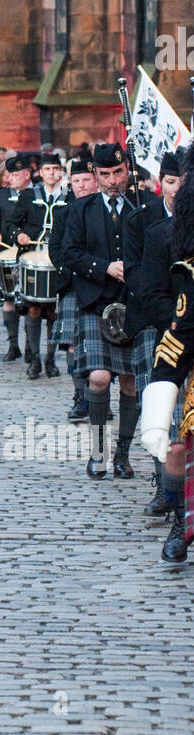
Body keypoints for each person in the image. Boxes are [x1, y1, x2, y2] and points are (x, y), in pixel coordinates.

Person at [60, 142, 139, 479]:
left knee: (130, 383)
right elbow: (68, 254)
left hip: (134, 305)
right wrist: (103, 267)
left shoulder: (141, 206)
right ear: (94, 174)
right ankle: (96, 451)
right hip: (95, 302)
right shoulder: (81, 210)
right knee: (98, 376)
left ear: (127, 172)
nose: (111, 181)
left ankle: (122, 454)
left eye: (117, 173)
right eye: (104, 174)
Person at [140, 144, 194, 563]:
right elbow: (180, 327)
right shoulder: (184, 259)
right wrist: (164, 387)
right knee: (177, 448)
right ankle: (183, 521)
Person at [125, 151, 181, 517]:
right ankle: (165, 489)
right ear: (161, 182)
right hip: (156, 323)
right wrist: (176, 324)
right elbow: (143, 283)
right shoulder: (144, 223)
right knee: (160, 410)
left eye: (185, 182)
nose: (179, 190)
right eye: (173, 181)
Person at [48, 157, 97, 420]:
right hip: (72, 285)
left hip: (103, 284)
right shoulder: (62, 212)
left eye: (86, 180)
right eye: (76, 181)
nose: (82, 185)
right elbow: (55, 250)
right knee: (72, 344)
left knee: (103, 343)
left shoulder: (106, 210)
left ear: (96, 181)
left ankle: (99, 398)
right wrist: (74, 272)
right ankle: (80, 396)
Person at [21, 150, 71, 379]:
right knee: (33, 308)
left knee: (52, 311)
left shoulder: (70, 198)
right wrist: (19, 234)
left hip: (59, 260)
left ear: (61, 172)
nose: (52, 173)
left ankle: (50, 359)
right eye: (47, 169)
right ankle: (34, 358)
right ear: (40, 173)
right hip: (34, 260)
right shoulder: (28, 196)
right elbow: (12, 223)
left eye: (55, 169)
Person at [0, 154, 34, 362]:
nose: (9, 178)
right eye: (9, 174)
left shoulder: (37, 192)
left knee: (31, 301)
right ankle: (13, 344)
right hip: (6, 254)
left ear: (26, 175)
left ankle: (30, 346)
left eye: (14, 174)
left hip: (32, 255)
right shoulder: (3, 194)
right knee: (8, 299)